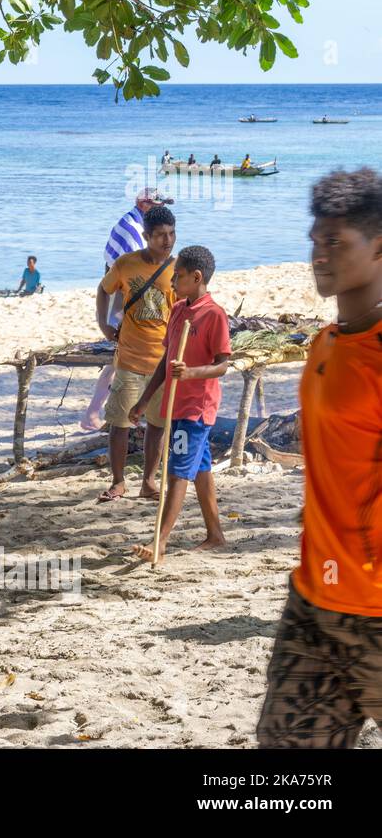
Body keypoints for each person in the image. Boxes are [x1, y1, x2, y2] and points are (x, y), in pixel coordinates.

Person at [256, 169, 382, 747]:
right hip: (314, 604)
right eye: (315, 239)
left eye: (337, 242)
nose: (320, 255)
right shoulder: (324, 346)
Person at [128, 246, 230, 561]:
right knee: (200, 470)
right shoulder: (178, 310)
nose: (172, 282)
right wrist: (144, 400)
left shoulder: (214, 314)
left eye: (179, 276)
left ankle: (160, 541)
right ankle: (215, 535)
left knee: (176, 473)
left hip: (196, 408)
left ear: (196, 277)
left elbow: (223, 364)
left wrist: (192, 373)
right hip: (176, 403)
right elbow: (166, 361)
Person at [94, 204, 177, 503]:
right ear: (145, 236)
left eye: (171, 234)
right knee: (120, 423)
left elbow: (184, 310)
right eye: (159, 236)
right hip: (129, 359)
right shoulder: (125, 264)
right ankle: (118, 482)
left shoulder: (177, 270)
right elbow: (104, 290)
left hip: (163, 363)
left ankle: (148, 482)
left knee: (157, 425)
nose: (167, 241)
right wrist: (103, 324)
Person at [82, 189, 170, 431]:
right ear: (143, 204)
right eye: (157, 204)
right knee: (121, 359)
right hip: (122, 300)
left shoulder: (137, 223)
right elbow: (134, 274)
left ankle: (95, 412)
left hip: (123, 298)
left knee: (120, 359)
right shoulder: (132, 229)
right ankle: (95, 413)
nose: (162, 209)